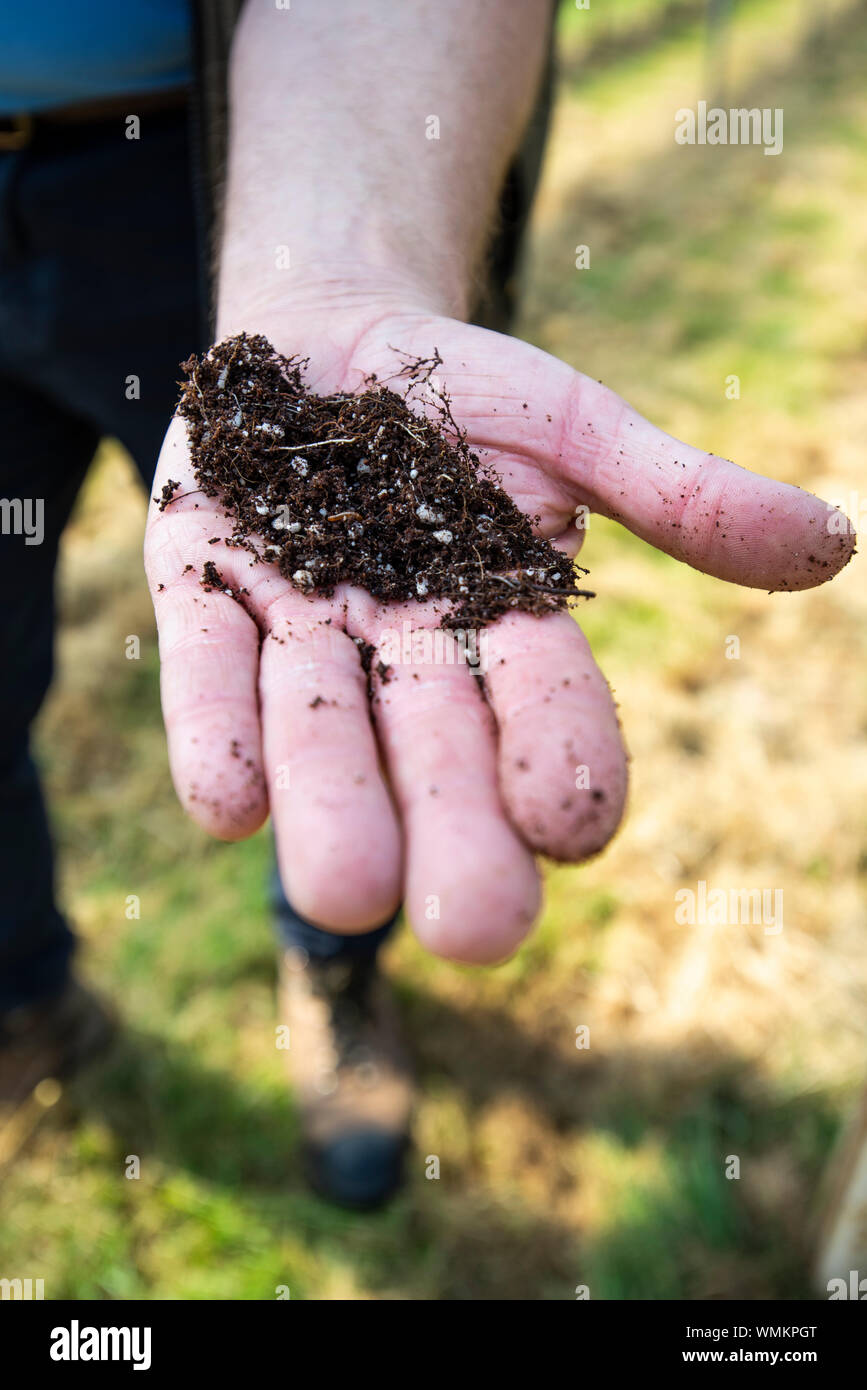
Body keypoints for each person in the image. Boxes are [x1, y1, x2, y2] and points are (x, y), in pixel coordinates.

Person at [0, 2, 853, 1211]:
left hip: (213, 158)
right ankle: (25, 991)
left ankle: (333, 972)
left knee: (321, 683)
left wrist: (339, 265)